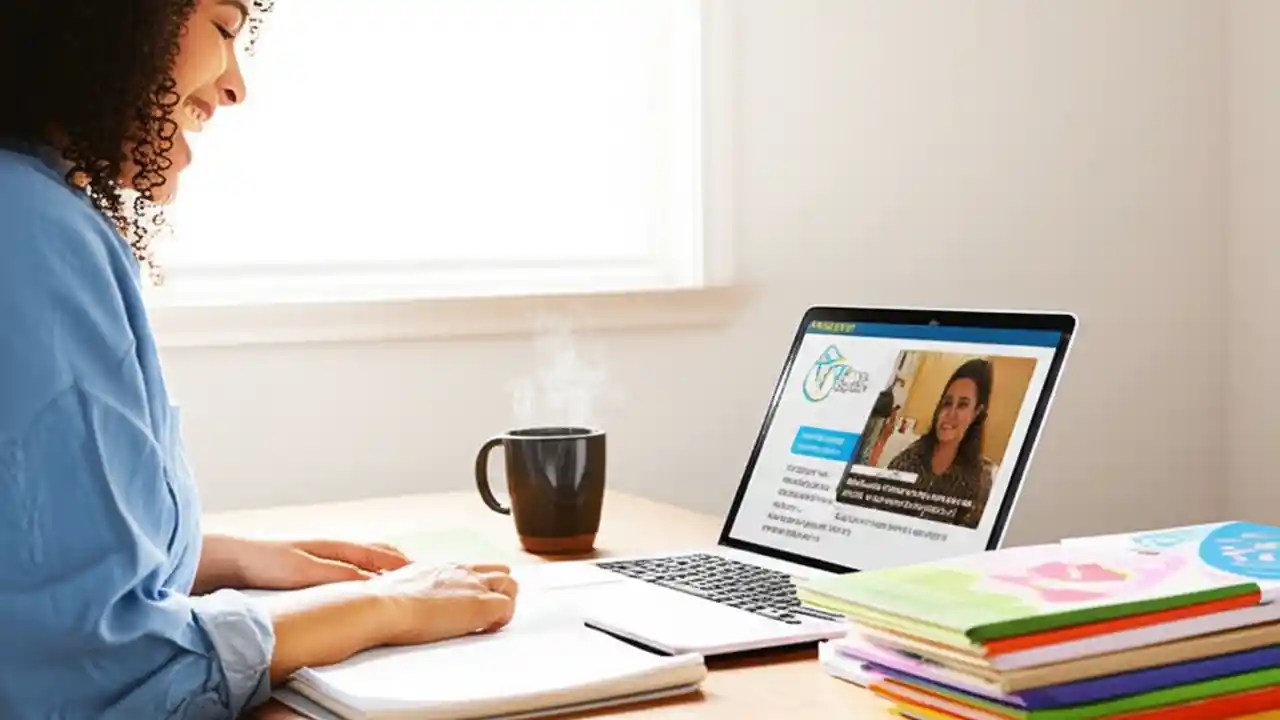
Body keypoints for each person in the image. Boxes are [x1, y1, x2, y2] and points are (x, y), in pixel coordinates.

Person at [0, 2, 518, 717]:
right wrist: (381, 608)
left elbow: (27, 563)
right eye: (221, 26)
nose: (234, 84)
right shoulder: (29, 231)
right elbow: (106, 672)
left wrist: (219, 560)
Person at [887, 359, 996, 528]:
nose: (950, 414)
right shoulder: (910, 458)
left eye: (962, 405)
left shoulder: (979, 479)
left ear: (976, 413)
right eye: (947, 403)